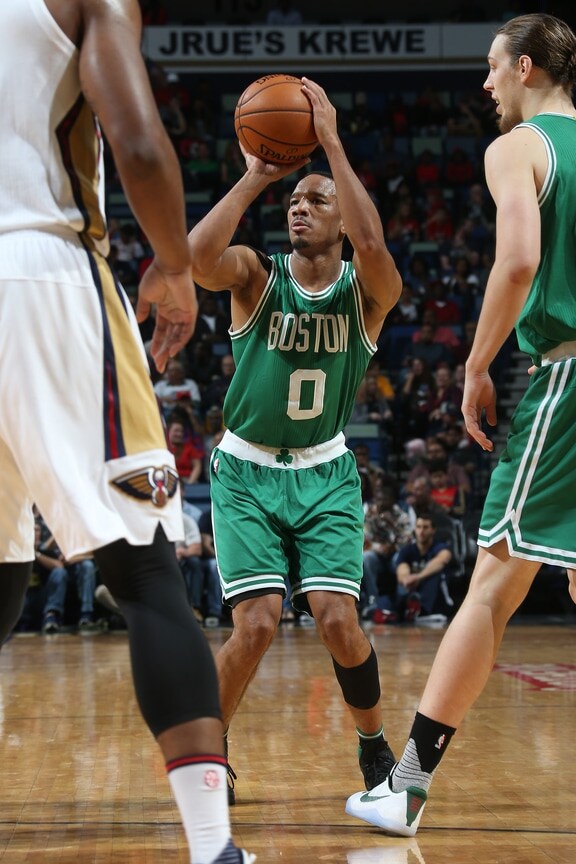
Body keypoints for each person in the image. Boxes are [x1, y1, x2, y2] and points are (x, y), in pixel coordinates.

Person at [0, 2, 252, 862]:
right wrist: (176, 268)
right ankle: (213, 847)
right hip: (43, 275)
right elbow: (138, 145)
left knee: (1, 570)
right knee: (145, 569)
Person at [346, 12, 576, 837]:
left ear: (523, 68)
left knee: (493, 582)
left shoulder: (519, 148)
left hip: (568, 376)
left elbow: (517, 260)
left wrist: (478, 364)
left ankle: (405, 790)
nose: (483, 85)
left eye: (491, 68)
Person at [187, 77, 402, 805]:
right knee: (256, 625)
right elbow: (195, 259)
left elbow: (372, 243)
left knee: (339, 620)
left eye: (315, 199)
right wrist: (255, 177)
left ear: (342, 213)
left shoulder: (367, 290)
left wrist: (331, 141)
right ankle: (207, 757)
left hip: (325, 470)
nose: (299, 208)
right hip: (247, 468)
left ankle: (375, 749)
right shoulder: (256, 275)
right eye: (294, 201)